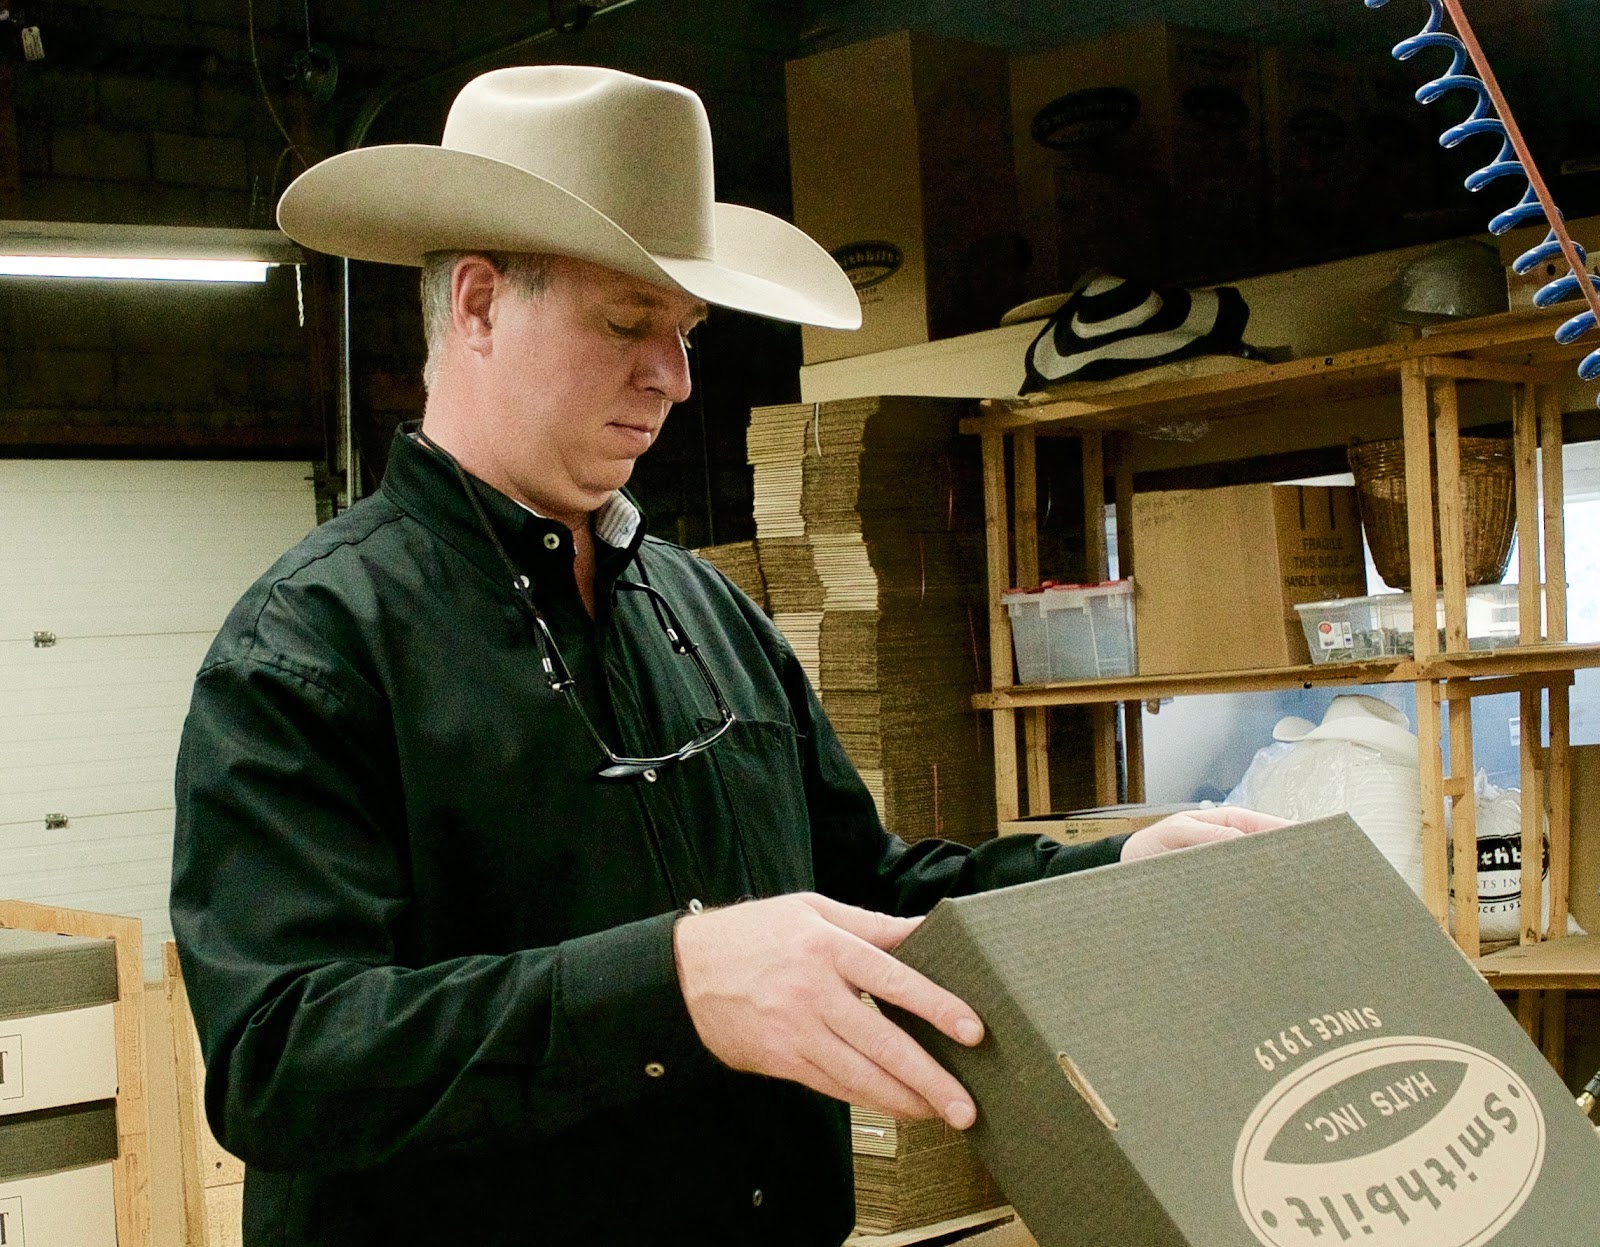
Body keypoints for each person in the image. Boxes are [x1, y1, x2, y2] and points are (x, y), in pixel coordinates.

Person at [171, 65, 1283, 1246]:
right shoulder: (309, 646)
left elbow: (873, 893)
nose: (675, 377)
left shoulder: (705, 610)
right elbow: (284, 1058)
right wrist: (672, 982)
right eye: (626, 324)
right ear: (483, 305)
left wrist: (1108, 882)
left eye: (686, 331)